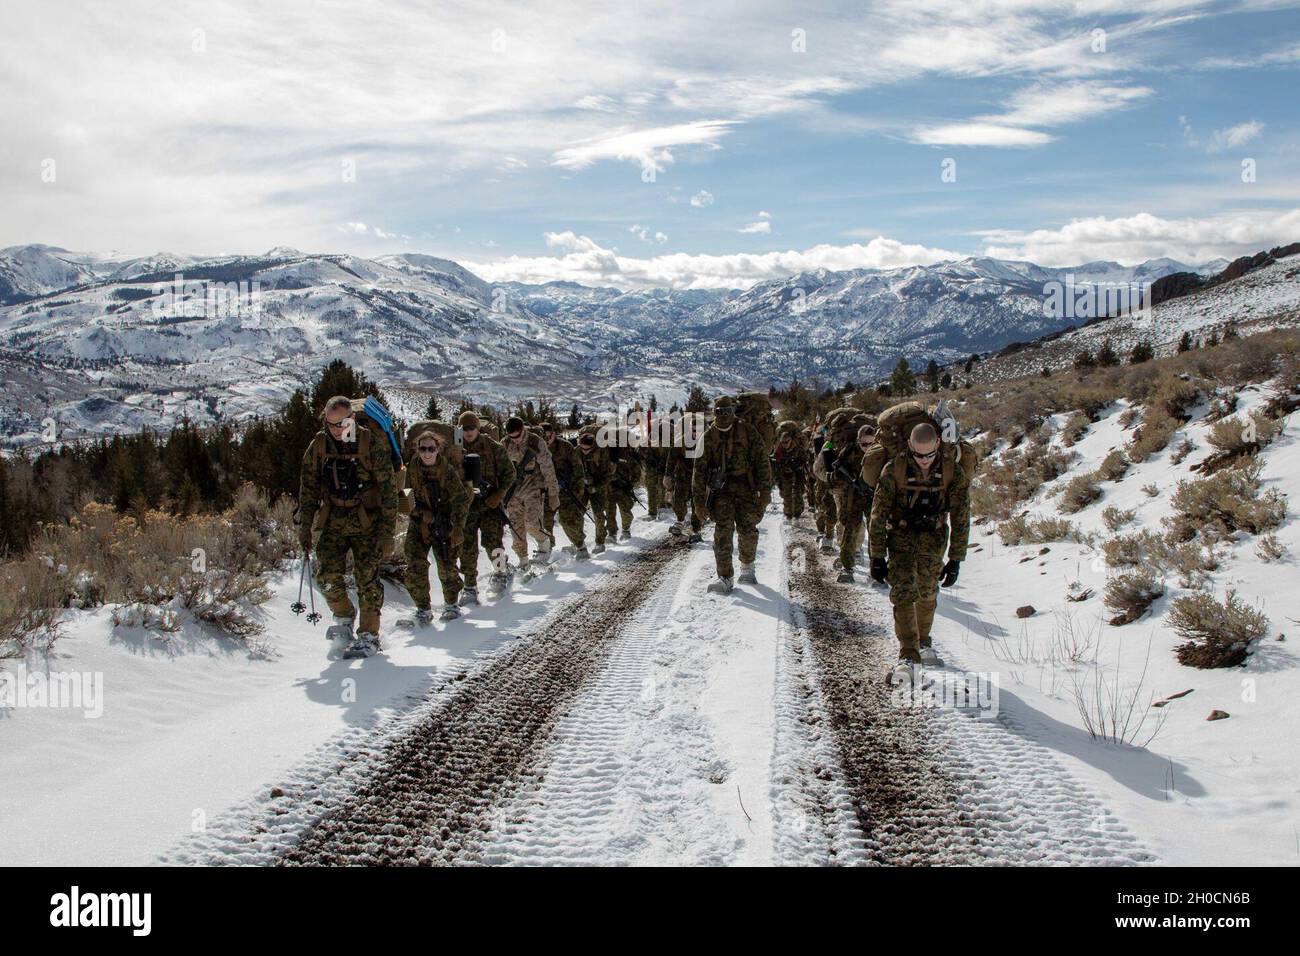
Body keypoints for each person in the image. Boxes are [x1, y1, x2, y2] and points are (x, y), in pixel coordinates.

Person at [868, 422, 971, 685]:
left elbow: (961, 516)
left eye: (929, 455)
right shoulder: (895, 469)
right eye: (918, 455)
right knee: (903, 592)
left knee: (927, 591)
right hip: (901, 539)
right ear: (910, 447)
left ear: (938, 444)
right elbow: (878, 514)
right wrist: (877, 556)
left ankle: (924, 641)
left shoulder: (951, 471)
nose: (924, 461)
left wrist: (956, 558)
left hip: (933, 540)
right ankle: (908, 656)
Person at [298, 395, 397, 658]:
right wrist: (305, 527)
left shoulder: (370, 443)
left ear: (352, 419)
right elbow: (308, 489)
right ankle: (343, 617)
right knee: (326, 575)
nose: (335, 430)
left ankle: (369, 635)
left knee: (367, 578)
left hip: (367, 520)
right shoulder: (319, 446)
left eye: (340, 424)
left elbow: (388, 491)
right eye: (330, 424)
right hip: (334, 519)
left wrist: (388, 532)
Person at [692, 396, 772, 593]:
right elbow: (698, 472)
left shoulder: (747, 431)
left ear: (733, 412)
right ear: (714, 413)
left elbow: (762, 461)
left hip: (746, 487)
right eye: (719, 412)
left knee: (747, 529)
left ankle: (747, 566)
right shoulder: (708, 437)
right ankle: (725, 577)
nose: (723, 416)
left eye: (727, 411)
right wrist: (698, 503)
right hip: (721, 492)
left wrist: (765, 491)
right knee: (722, 533)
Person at [402, 424, 470, 622]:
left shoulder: (447, 471)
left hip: (445, 522)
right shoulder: (412, 469)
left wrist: (458, 527)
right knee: (414, 564)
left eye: (431, 448)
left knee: (447, 566)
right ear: (417, 450)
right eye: (423, 449)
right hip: (420, 523)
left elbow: (461, 500)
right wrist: (421, 513)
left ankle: (451, 604)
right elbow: (406, 498)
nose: (427, 453)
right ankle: (423, 608)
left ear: (438, 449)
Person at [457, 410, 516, 603]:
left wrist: (498, 495)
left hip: (490, 505)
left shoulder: (493, 447)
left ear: (478, 427)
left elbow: (510, 473)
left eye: (471, 427)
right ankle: (469, 586)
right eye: (464, 428)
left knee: (493, 544)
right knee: (467, 547)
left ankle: (501, 572)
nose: (468, 432)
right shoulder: (455, 449)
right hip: (467, 507)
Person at [815, 420, 876, 583]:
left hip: (873, 498)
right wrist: (847, 481)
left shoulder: (879, 454)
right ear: (858, 441)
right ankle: (847, 567)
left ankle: (875, 570)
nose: (867, 447)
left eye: (871, 443)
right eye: (864, 443)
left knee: (876, 535)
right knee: (849, 532)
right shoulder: (849, 452)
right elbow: (835, 472)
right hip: (851, 497)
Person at [503, 416, 561, 572]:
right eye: (511, 437)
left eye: (518, 436)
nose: (515, 440)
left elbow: (548, 467)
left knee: (532, 523)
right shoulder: (505, 443)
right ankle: (523, 559)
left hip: (534, 483)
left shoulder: (536, 442)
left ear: (523, 430)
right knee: (515, 526)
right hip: (514, 487)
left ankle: (545, 541)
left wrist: (553, 493)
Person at [541, 422, 590, 559]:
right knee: (544, 521)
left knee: (569, 520)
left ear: (553, 434)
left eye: (548, 437)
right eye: (542, 437)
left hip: (567, 491)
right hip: (546, 492)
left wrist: (577, 490)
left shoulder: (565, 447)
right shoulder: (536, 449)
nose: (545, 440)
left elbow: (578, 469)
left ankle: (580, 547)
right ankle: (546, 549)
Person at [576, 425, 614, 553]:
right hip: (582, 486)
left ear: (593, 446)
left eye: (587, 450)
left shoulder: (602, 453)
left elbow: (608, 475)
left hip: (598, 486)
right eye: (582, 449)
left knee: (598, 514)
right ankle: (578, 542)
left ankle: (600, 542)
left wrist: (595, 487)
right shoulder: (576, 451)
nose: (584, 451)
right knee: (578, 513)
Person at [667, 414, 704, 543]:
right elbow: (671, 460)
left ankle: (696, 529)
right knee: (678, 500)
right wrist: (667, 475)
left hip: (699, 479)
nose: (695, 433)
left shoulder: (707, 442)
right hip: (682, 477)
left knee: (697, 504)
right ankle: (680, 521)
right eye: (693, 430)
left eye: (698, 430)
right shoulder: (680, 442)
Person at [771, 421, 808, 523]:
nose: (785, 444)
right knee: (786, 494)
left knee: (798, 493)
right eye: (783, 442)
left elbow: (804, 459)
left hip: (797, 472)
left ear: (791, 439)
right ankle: (788, 515)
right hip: (785, 473)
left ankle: (796, 515)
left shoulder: (798, 448)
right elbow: (776, 463)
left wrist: (795, 465)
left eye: (787, 442)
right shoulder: (779, 450)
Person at [607, 438, 641, 540]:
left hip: (623, 489)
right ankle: (612, 533)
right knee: (609, 512)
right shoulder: (604, 457)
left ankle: (626, 530)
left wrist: (630, 484)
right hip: (609, 489)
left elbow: (636, 471)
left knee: (625, 510)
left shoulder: (625, 457)